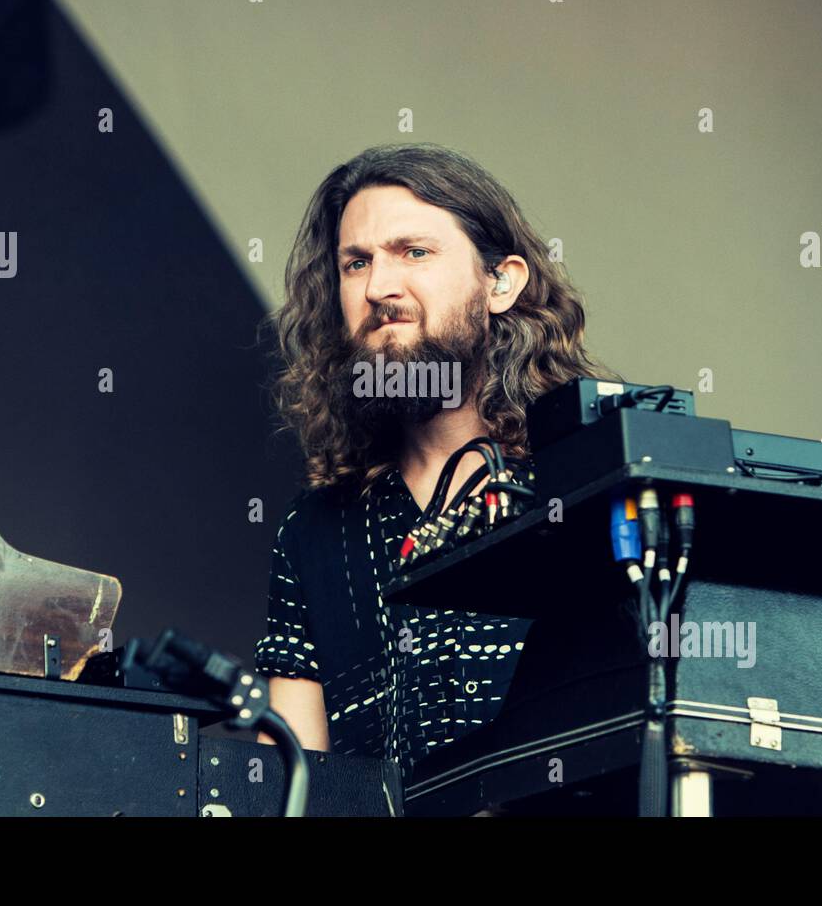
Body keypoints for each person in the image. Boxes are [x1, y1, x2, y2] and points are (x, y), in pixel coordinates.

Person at [254, 143, 616, 779]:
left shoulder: (585, 479)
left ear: (499, 282)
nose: (378, 288)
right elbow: (291, 782)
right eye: (355, 263)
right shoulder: (313, 532)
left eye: (413, 252)